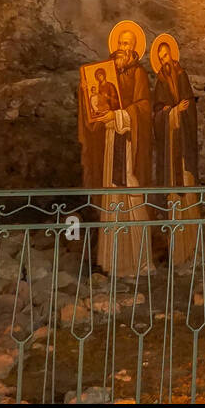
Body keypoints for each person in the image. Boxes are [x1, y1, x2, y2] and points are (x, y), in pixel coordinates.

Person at [77, 22, 155, 278]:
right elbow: (95, 108)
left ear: (135, 50)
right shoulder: (107, 72)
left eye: (128, 45)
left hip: (128, 142)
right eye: (120, 43)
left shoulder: (139, 75)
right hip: (110, 142)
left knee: (130, 192)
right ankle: (111, 261)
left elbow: (144, 109)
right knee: (111, 193)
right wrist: (87, 93)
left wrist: (120, 114)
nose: (122, 49)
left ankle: (136, 260)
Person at [150, 34, 199, 265]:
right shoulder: (160, 82)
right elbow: (157, 112)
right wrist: (171, 113)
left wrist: (181, 112)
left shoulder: (182, 76)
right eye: (160, 58)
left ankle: (191, 248)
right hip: (170, 151)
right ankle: (176, 249)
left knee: (187, 188)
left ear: (173, 55)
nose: (164, 61)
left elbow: (190, 108)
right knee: (172, 191)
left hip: (182, 147)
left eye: (166, 55)